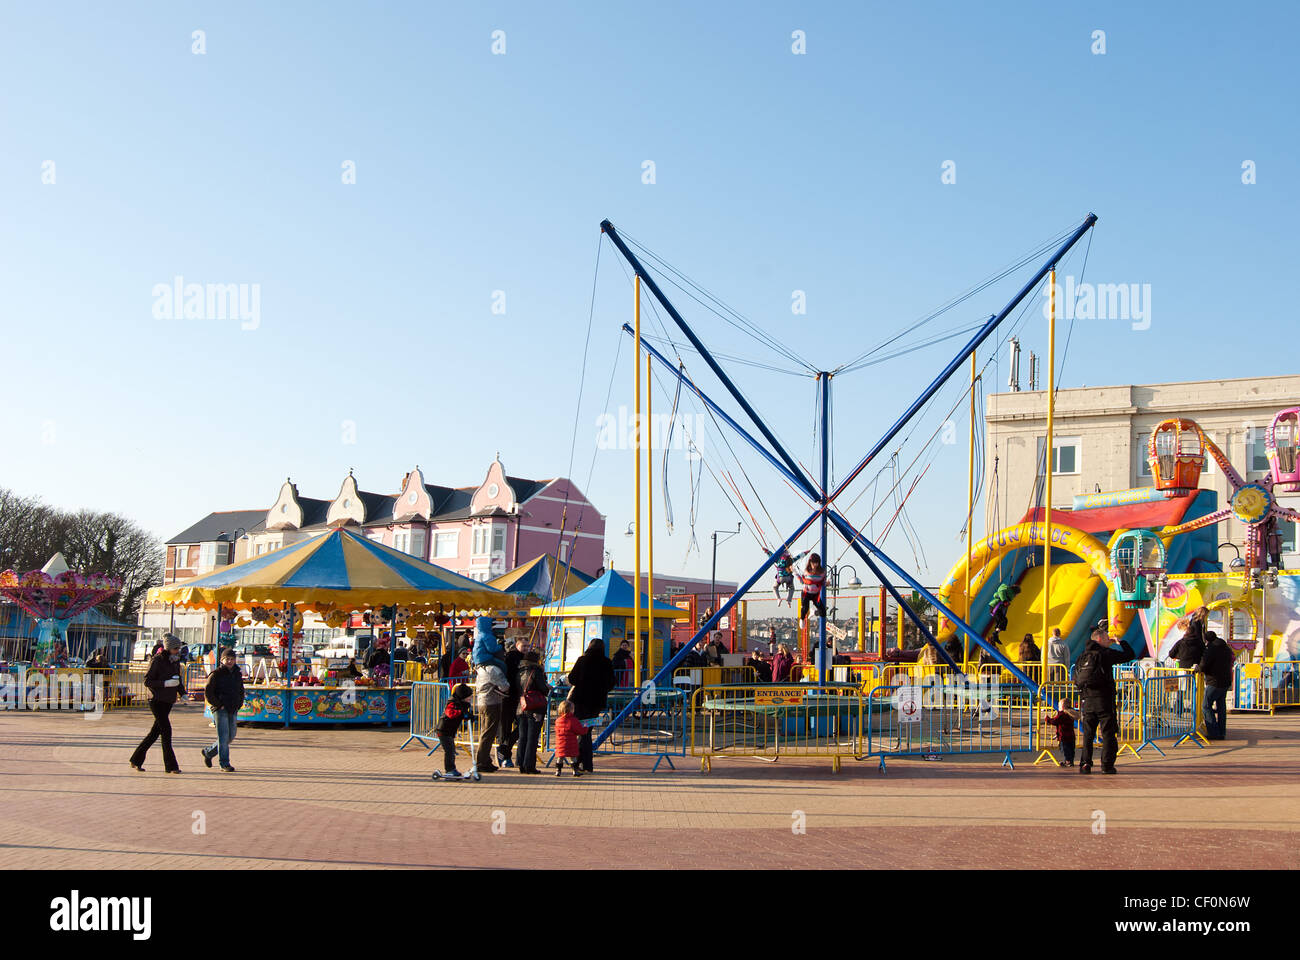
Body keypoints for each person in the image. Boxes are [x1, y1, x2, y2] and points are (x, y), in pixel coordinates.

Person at [1074, 626, 1138, 774]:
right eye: (1106, 637)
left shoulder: (1082, 656)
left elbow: (1077, 677)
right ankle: (1107, 765)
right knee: (1108, 733)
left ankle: (1085, 763)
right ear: (1099, 639)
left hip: (1087, 700)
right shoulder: (1104, 654)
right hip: (1104, 699)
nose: (1109, 639)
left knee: (1088, 735)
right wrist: (1120, 642)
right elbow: (1129, 655)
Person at [129, 634, 187, 774]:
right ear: (168, 648)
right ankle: (171, 766)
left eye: (179, 648)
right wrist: (165, 684)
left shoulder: (175, 661)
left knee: (155, 733)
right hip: (156, 700)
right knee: (166, 732)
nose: (178, 650)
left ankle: (136, 759)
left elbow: (177, 678)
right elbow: (148, 681)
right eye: (175, 648)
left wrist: (182, 692)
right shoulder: (157, 660)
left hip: (168, 700)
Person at [567, 638, 615, 773]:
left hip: (581, 701)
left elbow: (572, 678)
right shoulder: (607, 662)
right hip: (597, 703)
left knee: (583, 732)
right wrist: (602, 689)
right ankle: (586, 764)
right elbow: (611, 682)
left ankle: (582, 762)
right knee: (586, 731)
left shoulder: (582, 660)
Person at [201, 647, 244, 772]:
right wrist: (218, 704)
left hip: (233, 707)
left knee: (231, 735)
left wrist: (239, 703)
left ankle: (209, 752)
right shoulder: (216, 674)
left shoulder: (237, 674)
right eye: (227, 659)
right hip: (220, 709)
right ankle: (224, 763)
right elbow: (208, 692)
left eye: (232, 659)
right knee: (223, 736)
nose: (230, 661)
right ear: (222, 660)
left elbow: (241, 690)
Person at [515, 650, 551, 774]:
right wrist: (548, 688)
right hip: (535, 707)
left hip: (521, 706)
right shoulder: (536, 671)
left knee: (522, 736)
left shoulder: (519, 670)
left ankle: (520, 762)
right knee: (532, 737)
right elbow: (542, 688)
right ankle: (529, 765)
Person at [473, 657, 510, 773]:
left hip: (482, 701)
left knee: (485, 731)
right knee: (489, 732)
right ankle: (482, 761)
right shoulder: (493, 669)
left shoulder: (480, 670)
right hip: (492, 702)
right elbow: (504, 686)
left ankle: (485, 760)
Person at [1196, 629, 1234, 740]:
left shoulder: (1212, 649)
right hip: (1226, 681)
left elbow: (1204, 664)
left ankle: (1213, 731)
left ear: (1207, 640)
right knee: (1221, 707)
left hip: (1214, 681)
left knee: (1206, 706)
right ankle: (1222, 731)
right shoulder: (1226, 648)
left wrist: (1198, 668)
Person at [435, 682, 474, 778]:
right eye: (469, 697)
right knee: (449, 751)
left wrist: (469, 717)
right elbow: (450, 714)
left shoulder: (463, 704)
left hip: (449, 732)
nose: (470, 699)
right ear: (463, 696)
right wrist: (462, 713)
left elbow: (462, 715)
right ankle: (450, 770)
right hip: (443, 731)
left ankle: (451, 768)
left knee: (451, 750)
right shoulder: (452, 703)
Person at [497, 639, 525, 768]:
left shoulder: (525, 659)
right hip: (508, 696)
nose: (526, 648)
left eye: (527, 646)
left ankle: (504, 749)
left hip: (517, 697)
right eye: (523, 645)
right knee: (506, 727)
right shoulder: (511, 658)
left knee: (521, 725)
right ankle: (504, 755)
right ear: (517, 646)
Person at [1044, 697, 1079, 767]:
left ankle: (1068, 761)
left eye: (1059, 706)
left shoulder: (1062, 714)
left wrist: (1047, 719)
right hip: (1071, 736)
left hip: (1063, 736)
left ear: (1062, 707)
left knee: (1065, 749)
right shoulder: (1071, 713)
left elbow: (1054, 721)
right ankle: (1070, 761)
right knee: (1071, 749)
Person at [554, 701, 584, 777]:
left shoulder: (558, 721)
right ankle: (575, 771)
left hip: (561, 743)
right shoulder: (573, 720)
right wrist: (586, 727)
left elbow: (556, 731)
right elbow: (579, 730)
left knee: (560, 757)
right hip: (571, 743)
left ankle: (558, 771)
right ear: (571, 710)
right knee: (573, 757)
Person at [797, 553, 827, 624]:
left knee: (823, 612)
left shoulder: (822, 572)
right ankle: (802, 620)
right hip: (806, 593)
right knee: (805, 608)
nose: (815, 565)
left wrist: (827, 583)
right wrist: (795, 572)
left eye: (816, 563)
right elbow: (802, 580)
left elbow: (823, 582)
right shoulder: (806, 571)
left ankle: (814, 612)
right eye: (813, 563)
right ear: (810, 563)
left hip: (815, 594)